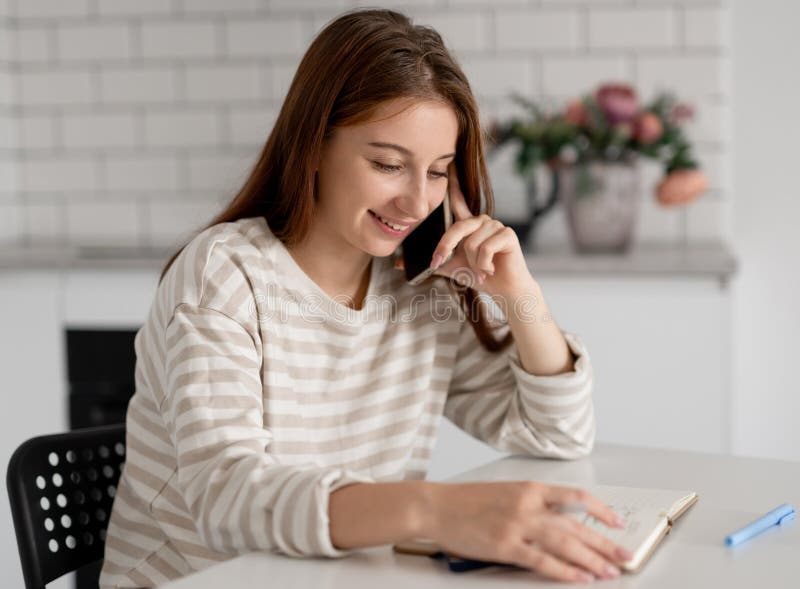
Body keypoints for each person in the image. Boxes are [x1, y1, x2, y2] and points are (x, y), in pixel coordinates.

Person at [99, 8, 633, 588]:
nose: (415, 202)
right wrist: (435, 510)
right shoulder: (223, 275)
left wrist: (519, 295)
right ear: (314, 145)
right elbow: (227, 497)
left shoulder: (419, 288)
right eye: (387, 164)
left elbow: (556, 434)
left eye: (438, 172)